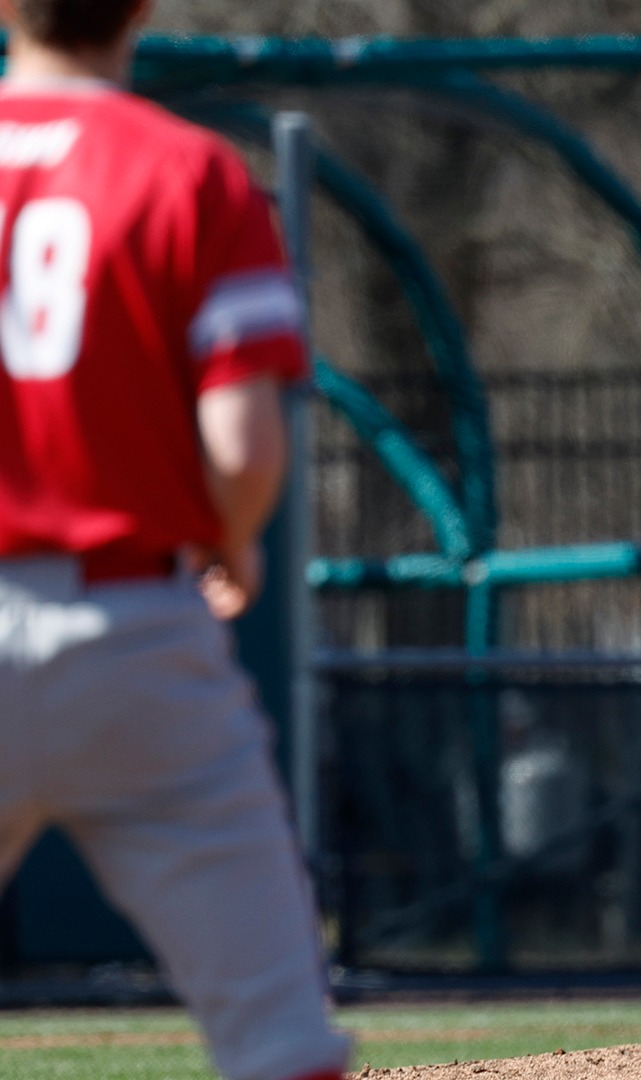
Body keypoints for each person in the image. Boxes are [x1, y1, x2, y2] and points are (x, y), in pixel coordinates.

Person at [0, 2, 351, 1078]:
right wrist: (228, 537)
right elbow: (243, 449)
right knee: (282, 1044)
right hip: (135, 631)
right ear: (141, 7)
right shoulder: (192, 170)